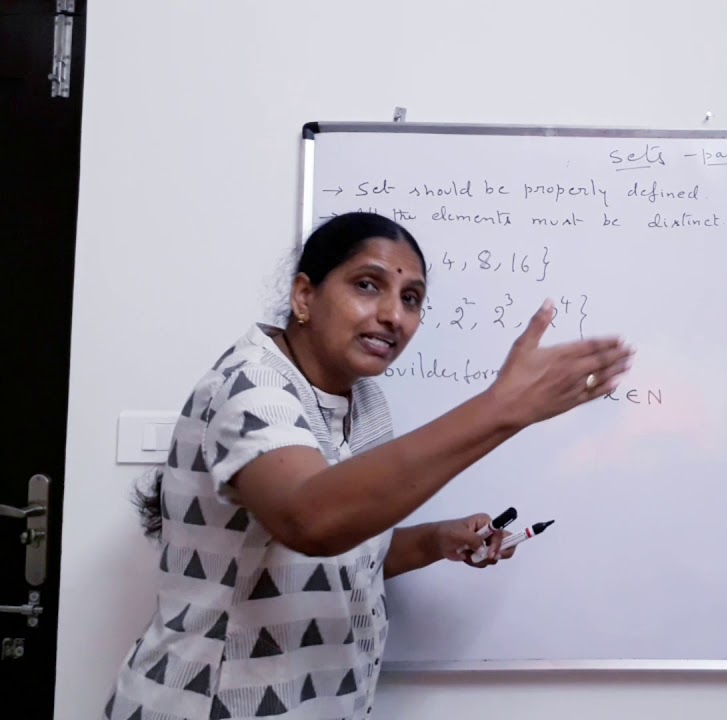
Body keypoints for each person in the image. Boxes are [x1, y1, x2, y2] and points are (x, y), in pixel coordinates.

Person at [102, 212, 633, 720]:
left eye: (411, 298)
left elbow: (344, 550)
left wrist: (434, 541)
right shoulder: (249, 387)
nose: (393, 315)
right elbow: (311, 522)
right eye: (367, 285)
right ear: (304, 296)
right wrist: (502, 408)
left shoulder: (366, 401)